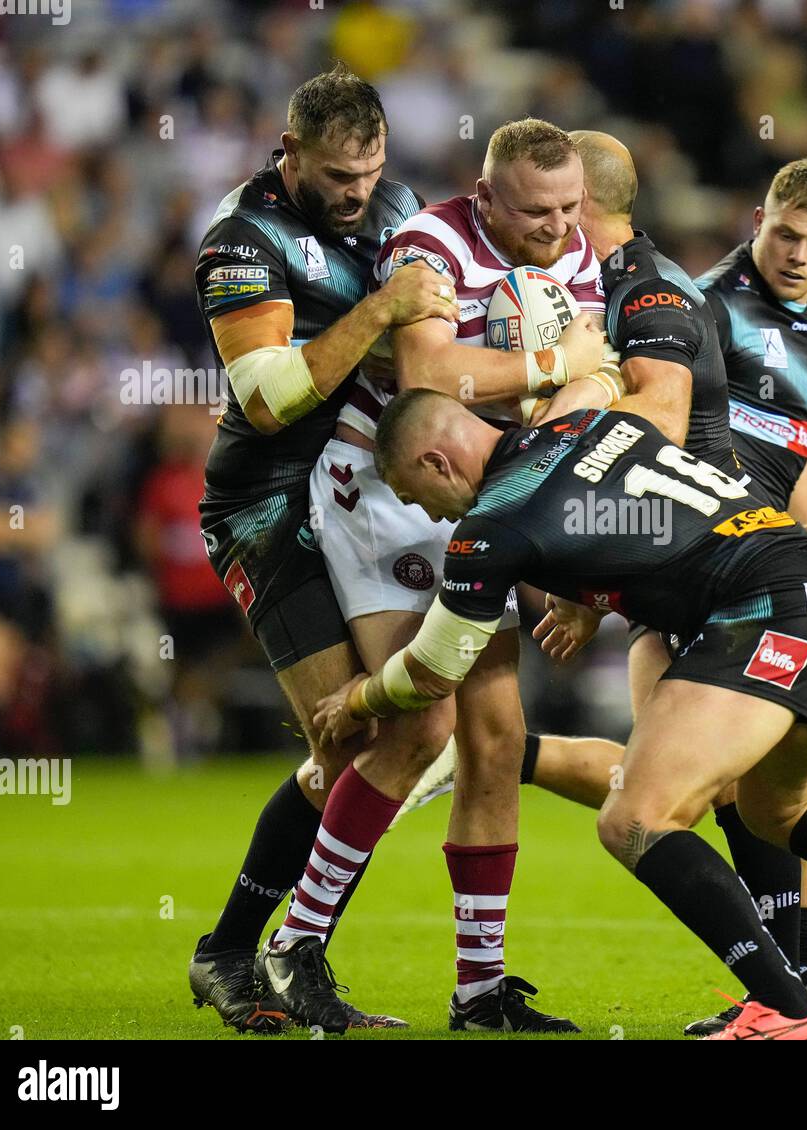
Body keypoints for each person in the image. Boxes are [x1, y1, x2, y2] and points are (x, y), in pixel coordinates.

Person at [314, 390, 807, 1041]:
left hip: (766, 610)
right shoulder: (592, 420)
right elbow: (616, 510)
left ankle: (786, 1009)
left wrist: (360, 697)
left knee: (635, 819)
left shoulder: (488, 528)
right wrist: (581, 594)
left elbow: (437, 666)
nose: (434, 515)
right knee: (780, 805)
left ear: (437, 460)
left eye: (419, 493)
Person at [516, 153, 807, 1031]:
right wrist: (592, 588)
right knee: (695, 789)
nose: (797, 255)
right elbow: (649, 435)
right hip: (692, 568)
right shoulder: (699, 304)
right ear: (757, 220)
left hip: (770, 571)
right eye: (785, 234)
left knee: (779, 773)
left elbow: (798, 443)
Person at [268, 118, 608, 1033]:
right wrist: (551, 366)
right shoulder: (431, 243)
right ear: (486, 195)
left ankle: (480, 991)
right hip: (388, 487)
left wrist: (567, 386)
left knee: (497, 737)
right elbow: (429, 381)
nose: (558, 226)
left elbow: (594, 380)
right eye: (536, 210)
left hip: (482, 490)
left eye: (570, 206)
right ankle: (293, 946)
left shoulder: (578, 252)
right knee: (421, 729)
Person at [187, 63, 456, 1032]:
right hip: (265, 505)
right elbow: (264, 397)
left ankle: (264, 953)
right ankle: (248, 953)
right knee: (354, 739)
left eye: (370, 172)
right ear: (289, 152)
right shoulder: (242, 239)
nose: (358, 194)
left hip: (366, 496)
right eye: (338, 177)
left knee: (410, 731)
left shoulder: (399, 204)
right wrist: (380, 311)